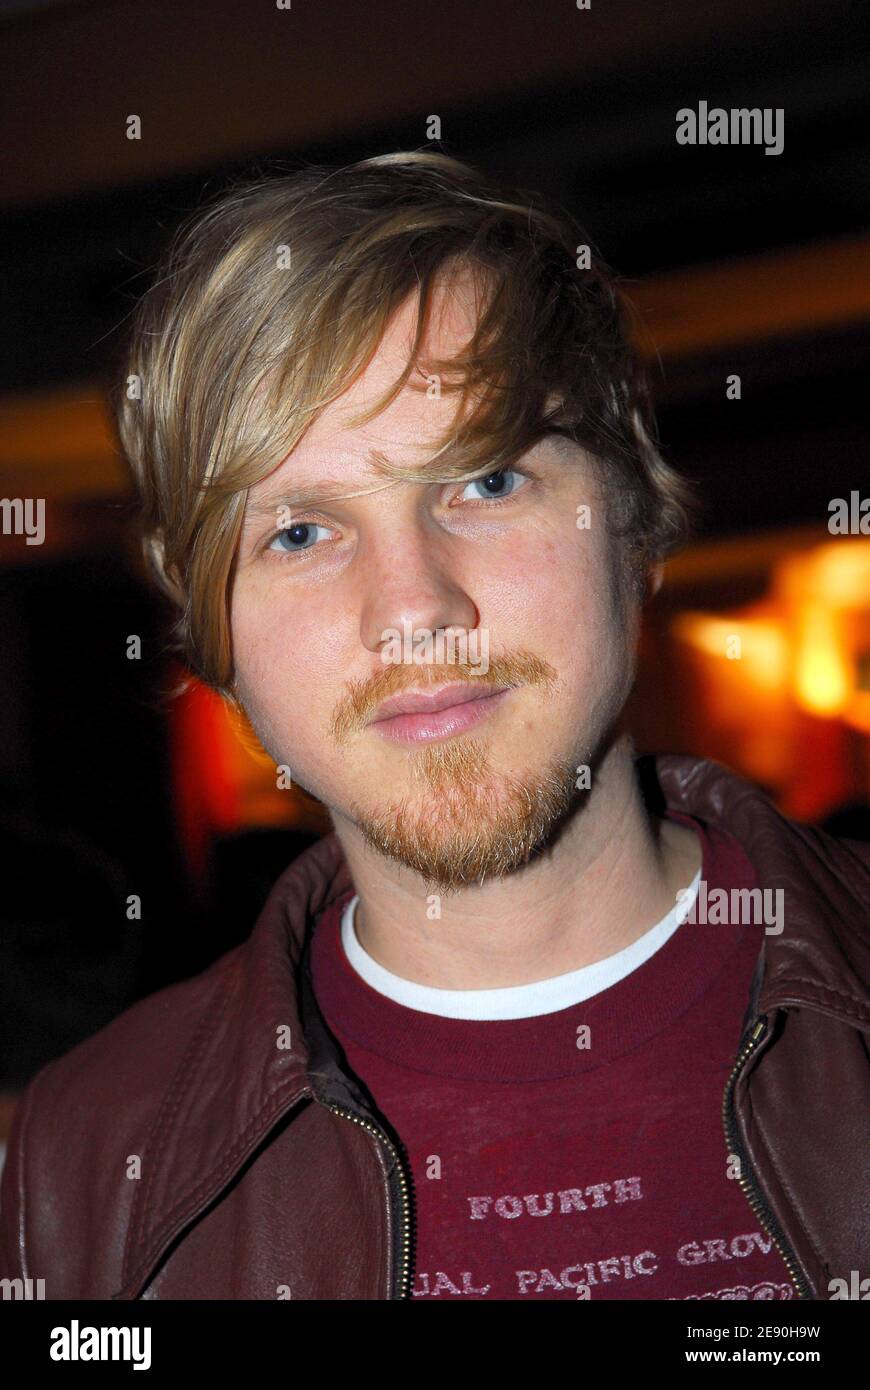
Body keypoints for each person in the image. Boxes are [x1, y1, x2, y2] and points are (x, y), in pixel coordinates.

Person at [2, 151, 868, 1302]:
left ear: (635, 524)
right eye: (299, 532)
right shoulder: (85, 1161)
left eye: (486, 481)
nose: (411, 606)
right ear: (219, 643)